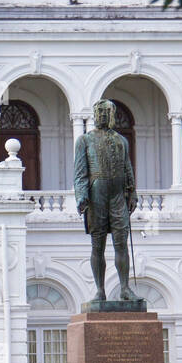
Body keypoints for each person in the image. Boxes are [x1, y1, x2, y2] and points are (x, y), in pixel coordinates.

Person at [73, 99, 138, 303]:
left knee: (121, 243)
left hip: (118, 195)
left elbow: (127, 168)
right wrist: (81, 195)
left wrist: (132, 191)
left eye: (105, 112)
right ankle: (100, 290)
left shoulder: (121, 141)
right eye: (98, 112)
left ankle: (125, 288)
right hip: (96, 194)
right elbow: (80, 172)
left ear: (112, 115)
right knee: (97, 245)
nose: (101, 116)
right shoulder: (84, 140)